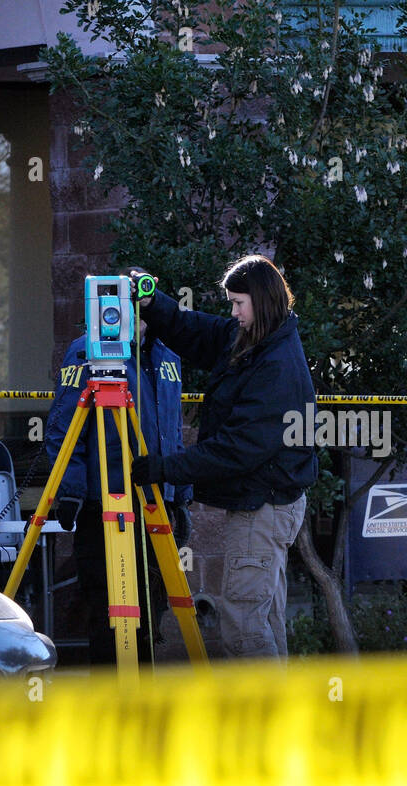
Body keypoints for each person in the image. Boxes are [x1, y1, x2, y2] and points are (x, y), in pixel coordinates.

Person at [129, 255, 317, 660]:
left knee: (244, 629)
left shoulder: (276, 366)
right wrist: (151, 300)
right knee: (263, 622)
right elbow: (194, 330)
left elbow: (236, 451)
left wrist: (164, 468)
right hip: (264, 502)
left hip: (261, 507)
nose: (233, 312)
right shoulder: (257, 336)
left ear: (262, 302)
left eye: (238, 303)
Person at [46, 305, 192, 667]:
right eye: (131, 308)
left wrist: (180, 496)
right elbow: (66, 427)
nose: (141, 317)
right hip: (103, 504)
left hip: (154, 501)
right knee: (109, 613)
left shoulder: (167, 354)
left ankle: (142, 705)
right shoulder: (86, 353)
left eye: (148, 307)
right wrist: (71, 491)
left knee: (149, 613)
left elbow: (172, 433)